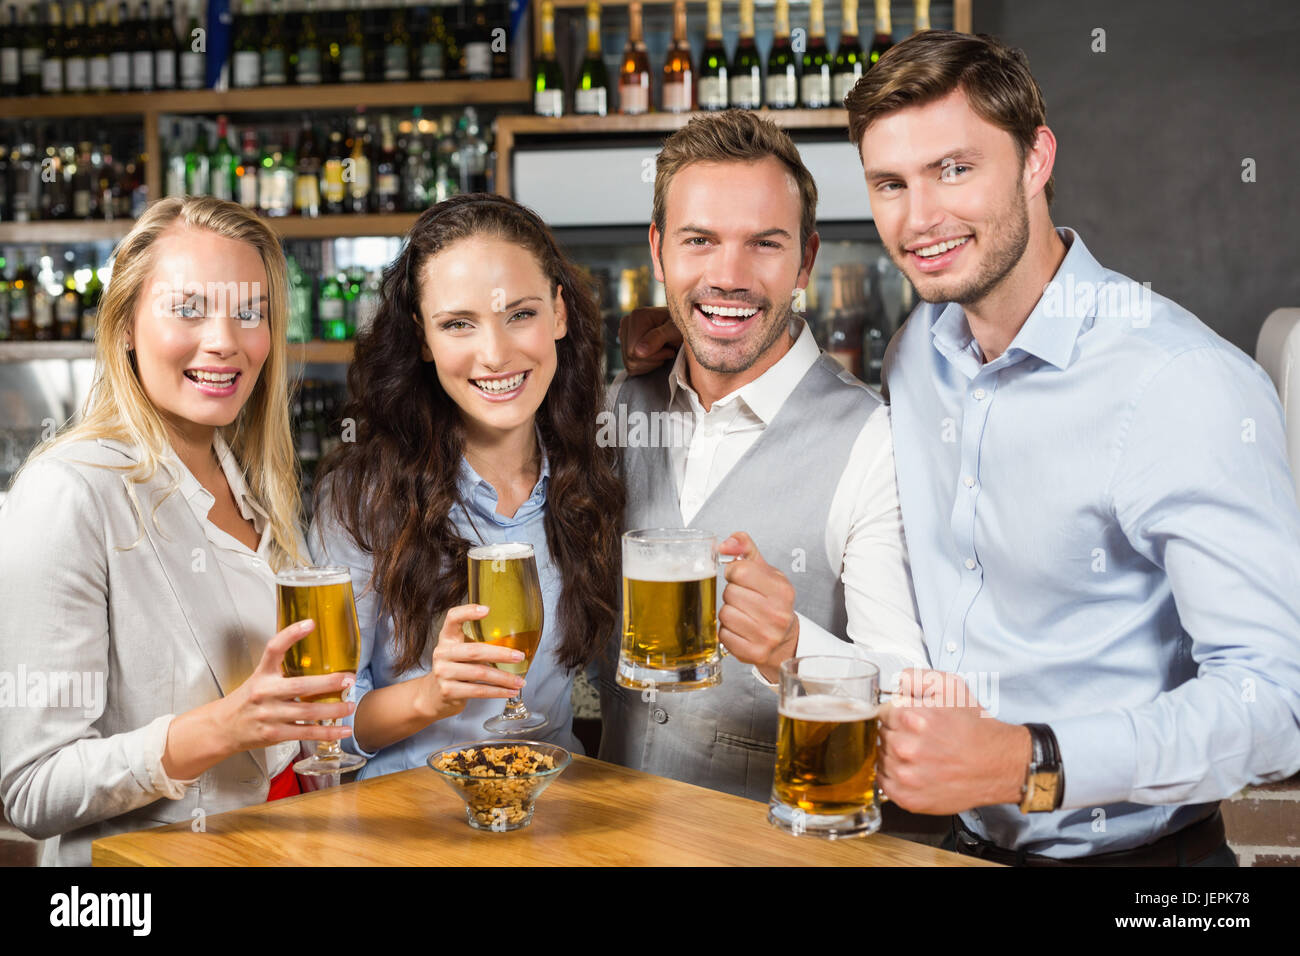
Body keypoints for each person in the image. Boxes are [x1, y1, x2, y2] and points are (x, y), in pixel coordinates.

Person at [843, 30, 1300, 864]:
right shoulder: (916, 354)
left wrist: (1031, 762)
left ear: (1036, 160)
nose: (919, 218)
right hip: (960, 845)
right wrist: (682, 348)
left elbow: (1276, 704)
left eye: (955, 169)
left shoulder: (1180, 382)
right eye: (891, 184)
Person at [0, 197, 355, 866]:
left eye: (249, 312)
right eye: (188, 308)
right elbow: (33, 789)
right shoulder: (69, 492)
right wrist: (221, 728)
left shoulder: (259, 487)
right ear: (126, 326)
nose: (224, 340)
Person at [598, 110, 928, 802]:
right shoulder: (616, 409)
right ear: (658, 251)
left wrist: (795, 649)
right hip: (613, 838)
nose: (728, 276)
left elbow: (910, 702)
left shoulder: (873, 442)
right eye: (699, 241)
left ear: (806, 260)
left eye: (764, 244)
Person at [308, 194, 623, 775]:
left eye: (520, 315)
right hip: (409, 821)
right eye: (458, 324)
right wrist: (430, 695)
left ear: (559, 313)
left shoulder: (593, 473)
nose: (495, 354)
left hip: (553, 814)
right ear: (422, 339)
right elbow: (319, 733)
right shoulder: (362, 496)